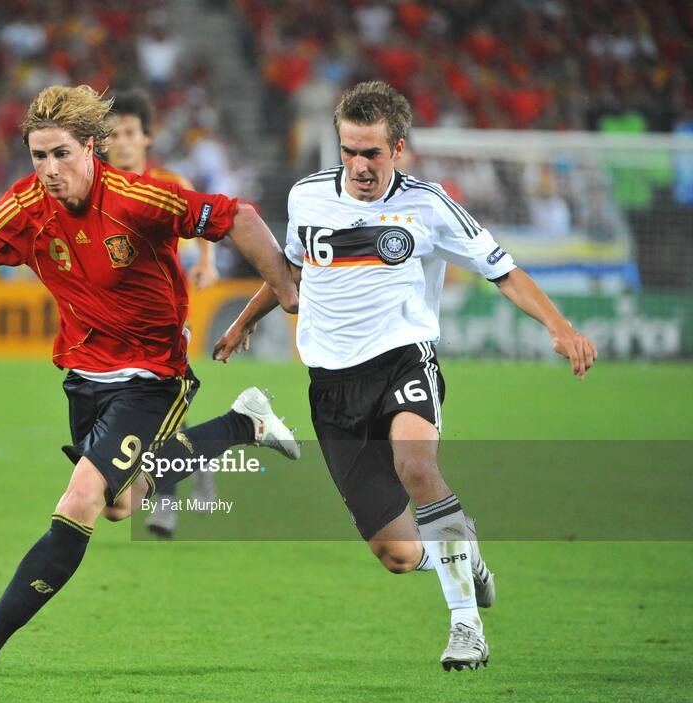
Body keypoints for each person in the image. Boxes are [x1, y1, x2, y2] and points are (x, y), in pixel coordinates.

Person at [0, 85, 300, 677]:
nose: (49, 169)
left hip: (151, 375)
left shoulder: (139, 198)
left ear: (92, 148)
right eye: (38, 156)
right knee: (122, 504)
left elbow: (238, 217)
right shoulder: (23, 210)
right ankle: (243, 423)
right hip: (84, 375)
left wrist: (286, 289)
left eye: (61, 154)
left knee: (82, 500)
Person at [213, 81, 597, 671]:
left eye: (372, 152)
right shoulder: (308, 198)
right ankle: (462, 555)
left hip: (401, 359)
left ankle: (466, 626)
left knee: (417, 466)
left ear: (398, 148)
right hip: (330, 385)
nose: (359, 165)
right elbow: (291, 269)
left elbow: (505, 271)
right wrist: (243, 323)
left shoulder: (430, 205)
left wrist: (560, 326)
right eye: (349, 151)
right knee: (395, 552)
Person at [106, 89, 219, 538]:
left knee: (153, 405)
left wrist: (207, 263)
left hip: (167, 312)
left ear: (147, 137)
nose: (122, 142)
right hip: (116, 319)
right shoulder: (97, 188)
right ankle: (200, 460)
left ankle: (165, 502)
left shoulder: (170, 183)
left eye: (130, 132)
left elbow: (205, 219)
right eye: (113, 134)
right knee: (155, 409)